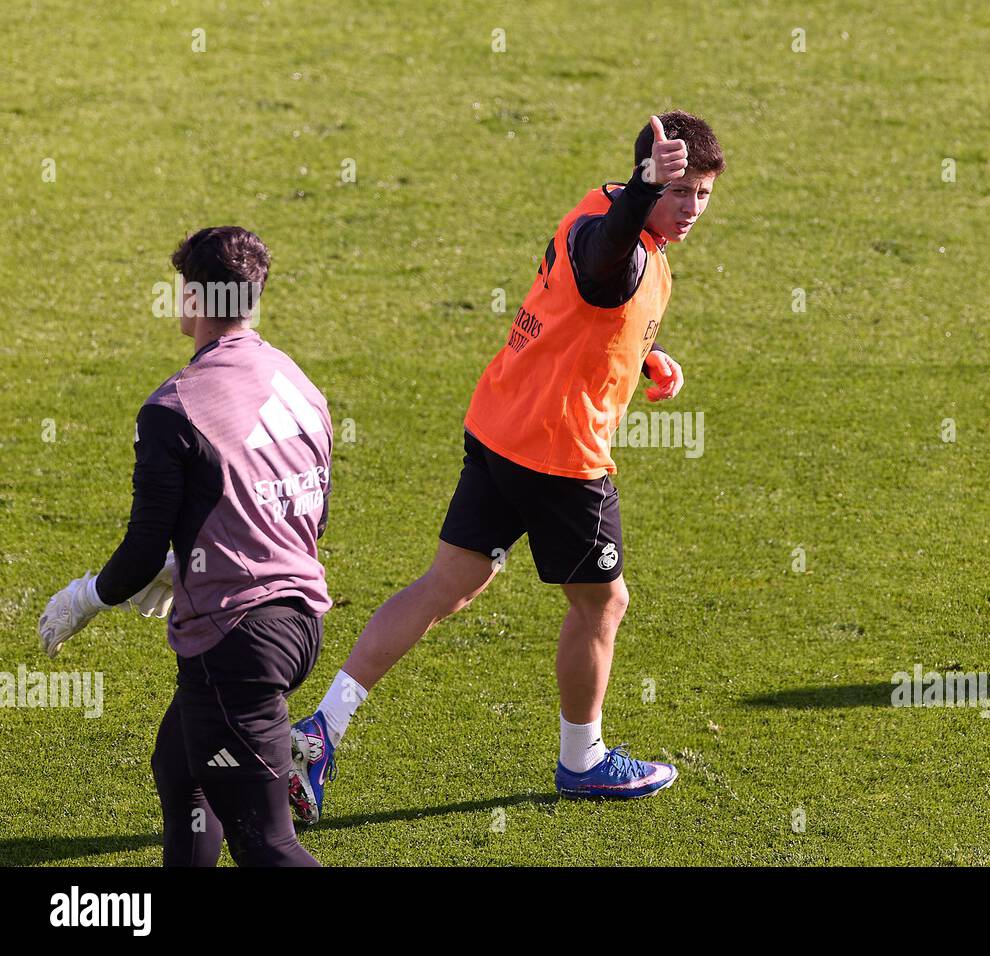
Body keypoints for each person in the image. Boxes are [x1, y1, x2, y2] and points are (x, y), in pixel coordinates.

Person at [289, 110, 726, 821]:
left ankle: (319, 731)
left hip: (501, 425)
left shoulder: (598, 203)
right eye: (680, 194)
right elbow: (605, 259)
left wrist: (642, 356)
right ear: (647, 177)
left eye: (702, 196)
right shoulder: (619, 238)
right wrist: (649, 195)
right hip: (559, 458)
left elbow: (576, 304)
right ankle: (583, 759)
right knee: (602, 602)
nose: (691, 211)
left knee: (450, 584)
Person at [39, 226, 332, 866]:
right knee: (183, 769)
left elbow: (143, 547)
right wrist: (187, 565)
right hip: (298, 623)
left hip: (237, 644)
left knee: (267, 843)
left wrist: (86, 598)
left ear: (194, 299)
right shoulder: (299, 384)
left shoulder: (173, 409)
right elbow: (300, 515)